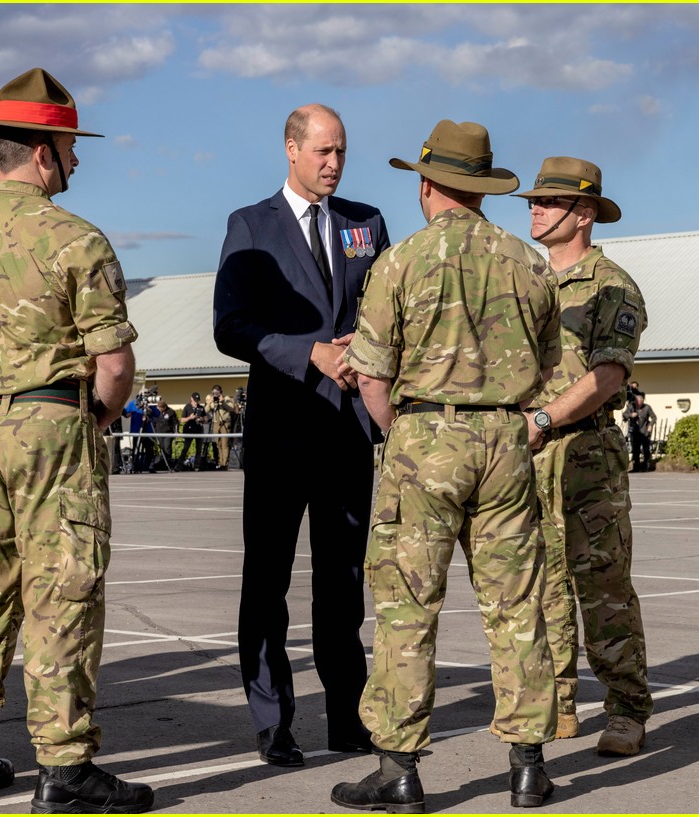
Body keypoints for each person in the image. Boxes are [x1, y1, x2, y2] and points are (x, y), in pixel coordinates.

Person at [0, 67, 151, 812]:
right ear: (45, 152)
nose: (77, 162)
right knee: (64, 589)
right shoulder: (76, 240)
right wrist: (94, 420)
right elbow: (113, 364)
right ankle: (65, 768)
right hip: (53, 421)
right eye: (72, 147)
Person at [332, 119, 559, 812]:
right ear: (482, 190)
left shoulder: (401, 261)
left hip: (426, 436)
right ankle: (527, 764)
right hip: (505, 437)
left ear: (428, 186)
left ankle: (398, 767)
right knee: (516, 604)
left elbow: (370, 374)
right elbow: (548, 365)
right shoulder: (529, 262)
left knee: (407, 606)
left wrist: (407, 434)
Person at [214, 103, 389, 766]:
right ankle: (273, 722)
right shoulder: (250, 226)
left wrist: (367, 352)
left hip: (347, 431)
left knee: (343, 583)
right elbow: (232, 326)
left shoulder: (365, 224)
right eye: (323, 151)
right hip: (283, 432)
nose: (335, 164)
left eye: (342, 151)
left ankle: (348, 715)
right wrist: (310, 352)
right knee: (268, 583)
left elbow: (388, 308)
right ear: (291, 149)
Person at [516, 156, 653, 755]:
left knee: (602, 584)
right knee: (539, 583)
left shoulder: (612, 285)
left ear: (585, 213)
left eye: (549, 201)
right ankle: (558, 700)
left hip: (587, 453)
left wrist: (543, 418)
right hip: (527, 456)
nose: (535, 209)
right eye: (531, 201)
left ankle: (625, 706)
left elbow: (608, 375)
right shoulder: (523, 280)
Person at [206, 385, 236, 470]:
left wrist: (222, 401)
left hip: (225, 423)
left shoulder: (226, 399)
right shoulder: (213, 401)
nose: (215, 394)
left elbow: (231, 408)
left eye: (216, 393)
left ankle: (224, 464)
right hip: (216, 423)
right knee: (218, 444)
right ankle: (220, 462)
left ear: (220, 392)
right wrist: (209, 402)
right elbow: (206, 410)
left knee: (225, 444)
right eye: (213, 393)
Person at [626, 393, 656, 472]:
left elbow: (654, 417)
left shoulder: (647, 407)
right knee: (635, 451)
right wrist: (630, 415)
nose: (639, 404)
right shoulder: (631, 406)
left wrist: (650, 425)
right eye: (637, 402)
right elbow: (624, 415)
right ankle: (636, 468)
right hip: (635, 432)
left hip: (644, 431)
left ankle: (646, 466)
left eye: (640, 402)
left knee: (646, 450)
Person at [177, 392, 206, 467]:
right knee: (185, 448)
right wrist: (190, 418)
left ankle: (196, 465)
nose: (196, 402)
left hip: (199, 430)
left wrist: (202, 419)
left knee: (199, 449)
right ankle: (180, 464)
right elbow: (182, 419)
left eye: (197, 400)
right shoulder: (187, 407)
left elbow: (206, 419)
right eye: (195, 400)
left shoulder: (201, 407)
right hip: (189, 430)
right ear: (191, 399)